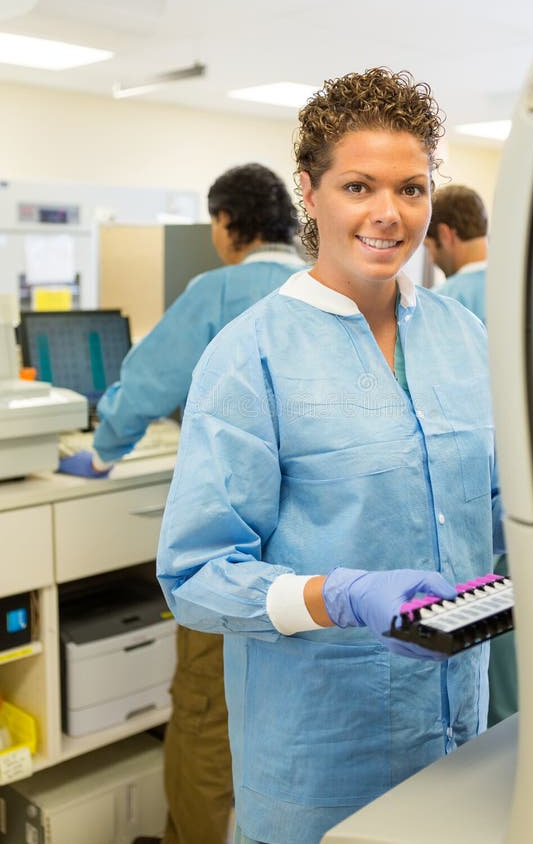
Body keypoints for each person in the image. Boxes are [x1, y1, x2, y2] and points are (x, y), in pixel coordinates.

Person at [157, 68, 504, 844]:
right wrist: (334, 595)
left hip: (457, 732)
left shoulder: (463, 339)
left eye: (411, 189)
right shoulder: (250, 356)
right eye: (358, 187)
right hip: (320, 756)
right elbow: (195, 576)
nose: (388, 213)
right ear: (310, 195)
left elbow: (492, 513)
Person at [58, 162, 305, 844]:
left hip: (239, 558)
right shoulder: (328, 286)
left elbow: (148, 380)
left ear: (226, 223)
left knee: (204, 712)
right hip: (318, 563)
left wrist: (103, 450)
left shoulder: (219, 290)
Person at [425, 183, 517, 726]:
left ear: (445, 234)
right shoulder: (527, 285)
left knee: (480, 649)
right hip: (529, 497)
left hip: (474, 491)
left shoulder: (444, 310)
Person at [424, 183, 488, 323]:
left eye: (428, 246)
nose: (431, 260)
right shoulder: (520, 286)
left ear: (444, 234)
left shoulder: (438, 303)